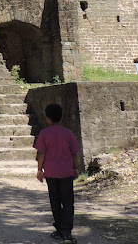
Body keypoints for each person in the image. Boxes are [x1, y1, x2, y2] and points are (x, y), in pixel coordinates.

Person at [35, 103, 81, 244]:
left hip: (51, 172)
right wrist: (76, 168)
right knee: (68, 201)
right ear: (61, 117)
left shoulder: (44, 133)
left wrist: (39, 169)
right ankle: (66, 232)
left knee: (54, 201)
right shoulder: (68, 133)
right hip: (66, 172)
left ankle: (59, 229)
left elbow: (42, 153)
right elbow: (74, 153)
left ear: (48, 118)